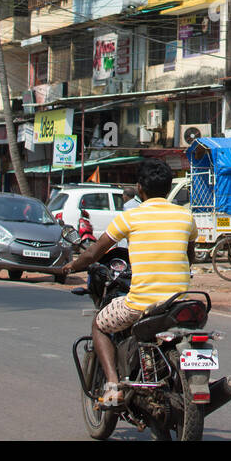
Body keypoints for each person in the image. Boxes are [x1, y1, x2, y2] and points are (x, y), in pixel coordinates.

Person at [42, 159, 196, 408]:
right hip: (178, 303)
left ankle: (113, 386)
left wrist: (72, 266)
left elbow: (94, 253)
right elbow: (190, 256)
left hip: (142, 303)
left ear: (139, 189)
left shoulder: (130, 218)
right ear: (168, 189)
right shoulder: (185, 216)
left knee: (100, 324)